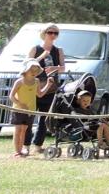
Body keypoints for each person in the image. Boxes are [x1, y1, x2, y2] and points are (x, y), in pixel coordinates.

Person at [24, 23, 65, 154]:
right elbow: (26, 64)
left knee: (44, 119)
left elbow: (63, 68)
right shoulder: (35, 48)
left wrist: (55, 68)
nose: (53, 35)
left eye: (55, 33)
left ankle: (38, 145)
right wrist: (41, 57)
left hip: (50, 88)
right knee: (28, 117)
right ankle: (26, 145)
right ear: (44, 33)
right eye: (50, 32)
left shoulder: (58, 50)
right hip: (33, 87)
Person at [10, 59, 53, 158]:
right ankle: (18, 151)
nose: (34, 73)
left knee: (24, 129)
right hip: (18, 110)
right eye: (31, 70)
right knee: (18, 129)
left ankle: (22, 150)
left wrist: (48, 85)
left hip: (31, 110)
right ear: (26, 70)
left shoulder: (36, 81)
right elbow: (11, 96)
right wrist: (20, 104)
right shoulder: (19, 82)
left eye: (36, 70)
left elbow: (40, 94)